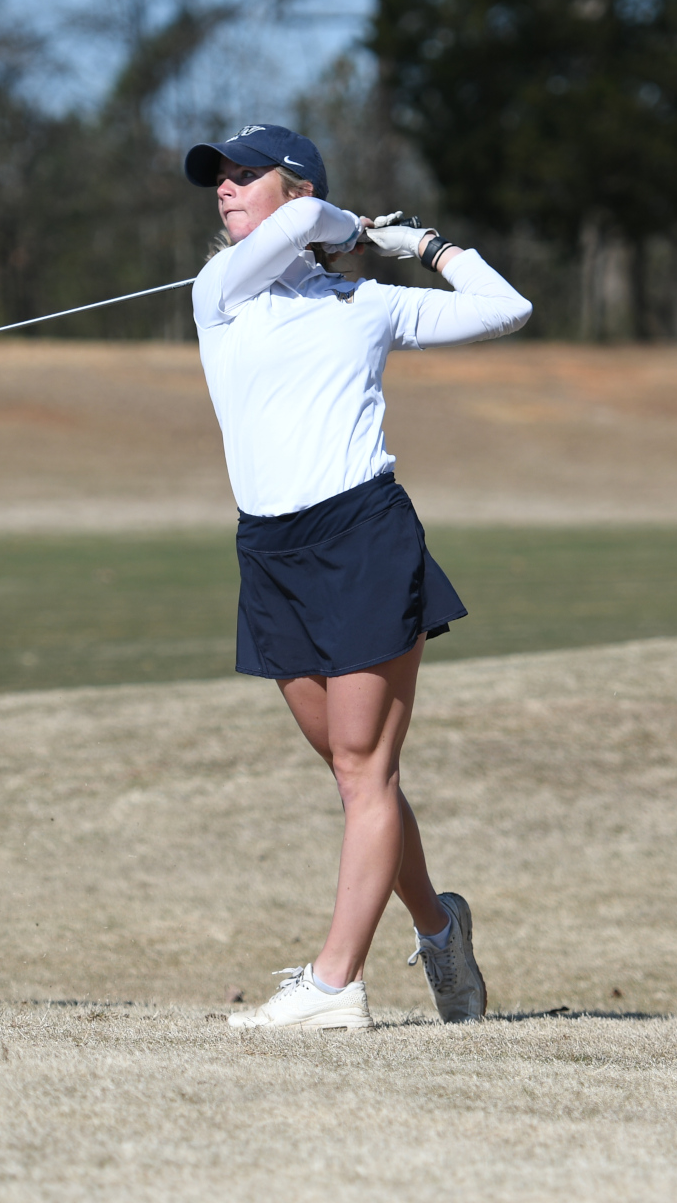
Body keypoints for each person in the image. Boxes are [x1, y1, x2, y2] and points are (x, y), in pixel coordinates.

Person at [182, 123, 531, 1031]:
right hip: (270, 552)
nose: (223, 191)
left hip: (363, 536)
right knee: (353, 774)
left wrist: (420, 246)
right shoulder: (216, 294)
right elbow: (293, 236)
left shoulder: (365, 302)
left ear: (295, 190)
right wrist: (332, 221)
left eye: (245, 176)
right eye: (218, 180)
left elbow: (506, 308)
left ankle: (335, 987)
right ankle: (439, 924)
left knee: (363, 769)